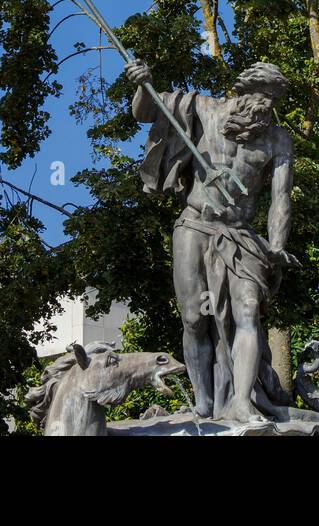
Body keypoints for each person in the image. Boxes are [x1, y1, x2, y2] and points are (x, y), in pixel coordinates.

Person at [124, 58, 295, 423]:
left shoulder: (277, 138)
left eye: (274, 100)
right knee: (193, 318)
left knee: (247, 311)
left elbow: (281, 200)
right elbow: (146, 111)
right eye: (264, 96)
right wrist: (142, 82)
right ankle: (202, 403)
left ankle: (242, 402)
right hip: (195, 226)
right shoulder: (203, 108)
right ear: (245, 90)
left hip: (241, 237)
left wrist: (277, 245)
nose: (267, 106)